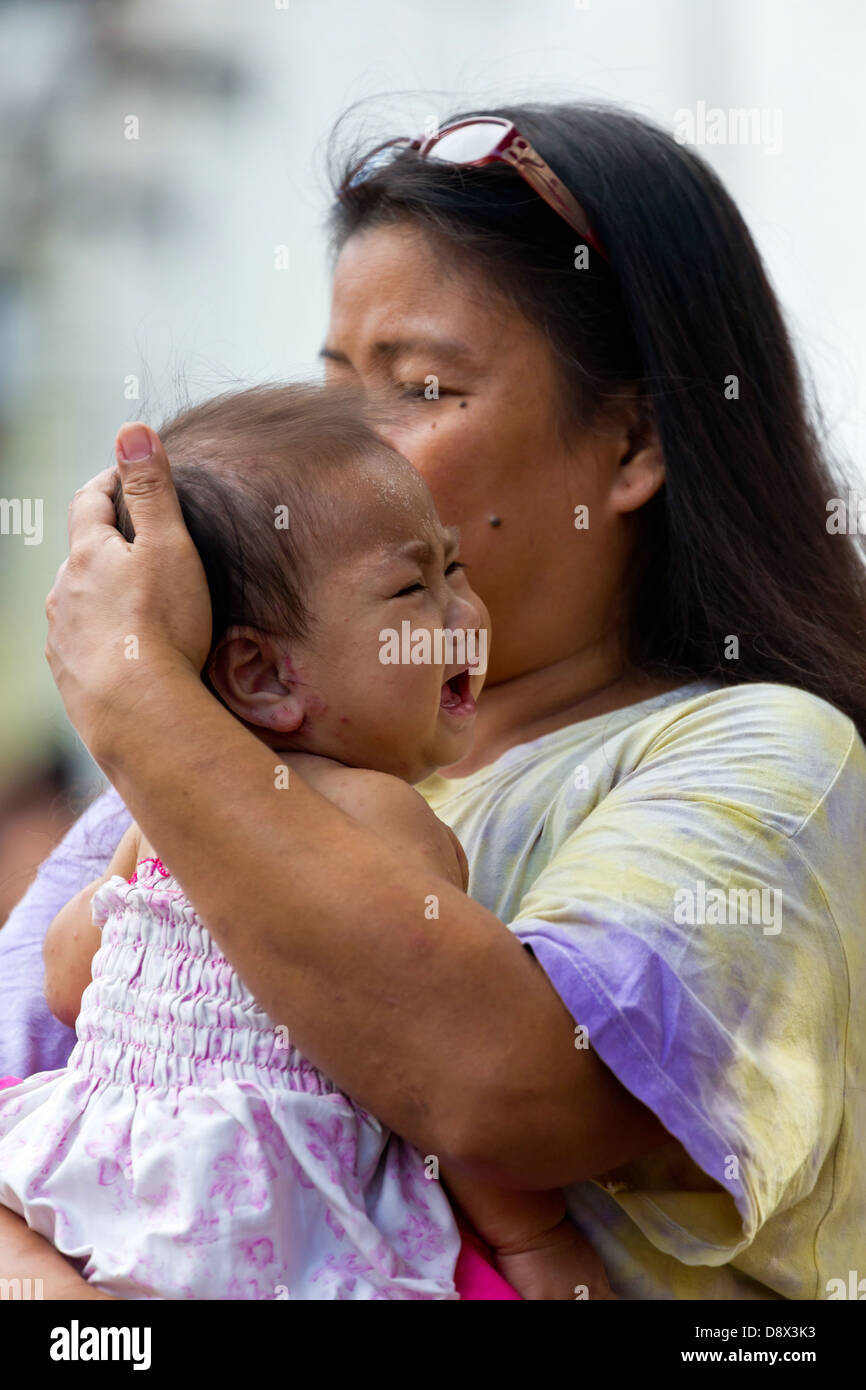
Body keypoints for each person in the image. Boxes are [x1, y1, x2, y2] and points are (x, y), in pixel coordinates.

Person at [1, 101, 864, 1300]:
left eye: (419, 388)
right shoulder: (200, 758)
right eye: (332, 387)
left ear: (630, 446)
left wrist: (138, 690)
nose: (345, 452)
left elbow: (507, 1090)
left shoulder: (767, 756)